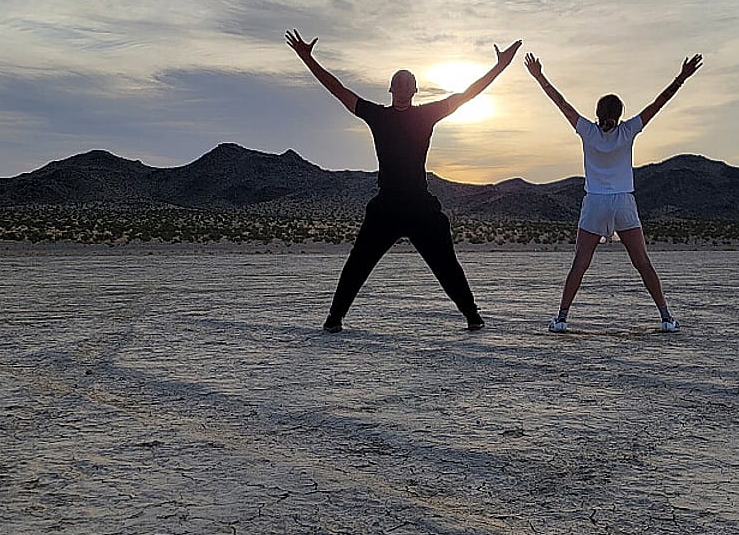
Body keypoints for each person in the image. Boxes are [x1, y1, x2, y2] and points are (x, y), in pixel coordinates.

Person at [286, 29, 522, 333]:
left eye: (407, 84)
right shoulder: (378, 116)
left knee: (446, 264)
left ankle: (472, 315)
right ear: (390, 88)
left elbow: (469, 94)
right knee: (358, 263)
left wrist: (500, 66)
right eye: (397, 83)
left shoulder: (427, 115)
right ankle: (334, 318)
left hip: (420, 207)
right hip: (386, 207)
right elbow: (338, 89)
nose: (401, 88)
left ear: (415, 90)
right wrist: (308, 59)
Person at [524, 50, 703, 333]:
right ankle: (666, 318)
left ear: (598, 113)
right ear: (619, 115)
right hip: (623, 203)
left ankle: (560, 318)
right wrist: (682, 76)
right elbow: (660, 102)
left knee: (579, 265)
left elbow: (561, 103)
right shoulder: (627, 131)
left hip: (594, 204)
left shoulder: (587, 131)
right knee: (642, 263)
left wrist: (539, 76)